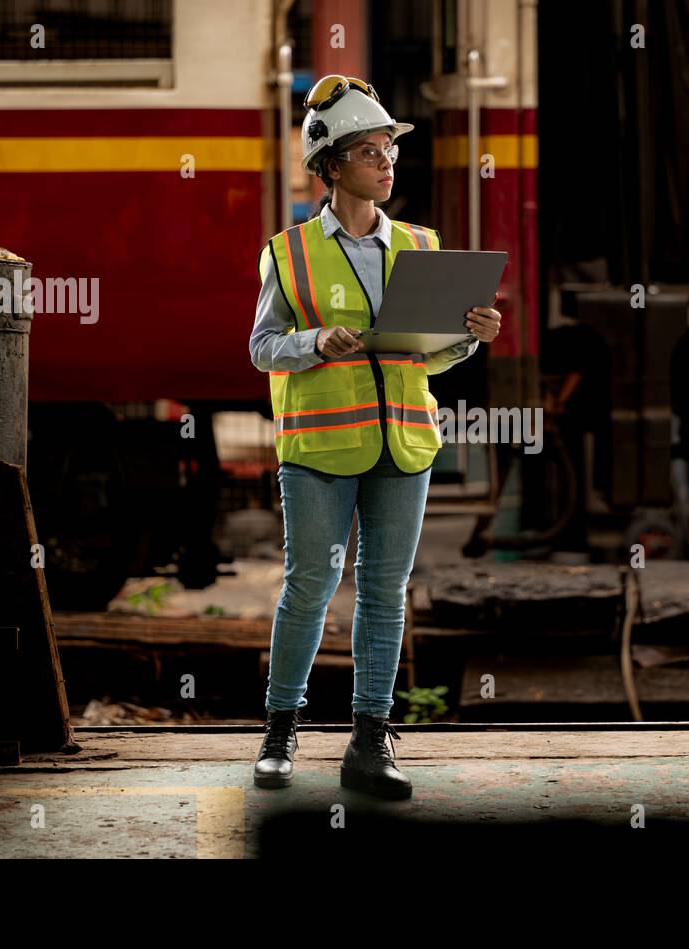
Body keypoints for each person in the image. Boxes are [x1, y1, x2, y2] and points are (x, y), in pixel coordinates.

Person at [248, 76, 501, 799]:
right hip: (320, 448)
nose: (387, 162)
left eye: (389, 147)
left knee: (386, 592)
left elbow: (423, 354)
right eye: (369, 150)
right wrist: (314, 341)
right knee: (309, 587)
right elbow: (263, 348)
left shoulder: (421, 245)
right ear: (329, 167)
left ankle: (370, 741)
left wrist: (470, 338)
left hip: (404, 445)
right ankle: (279, 732)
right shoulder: (288, 253)